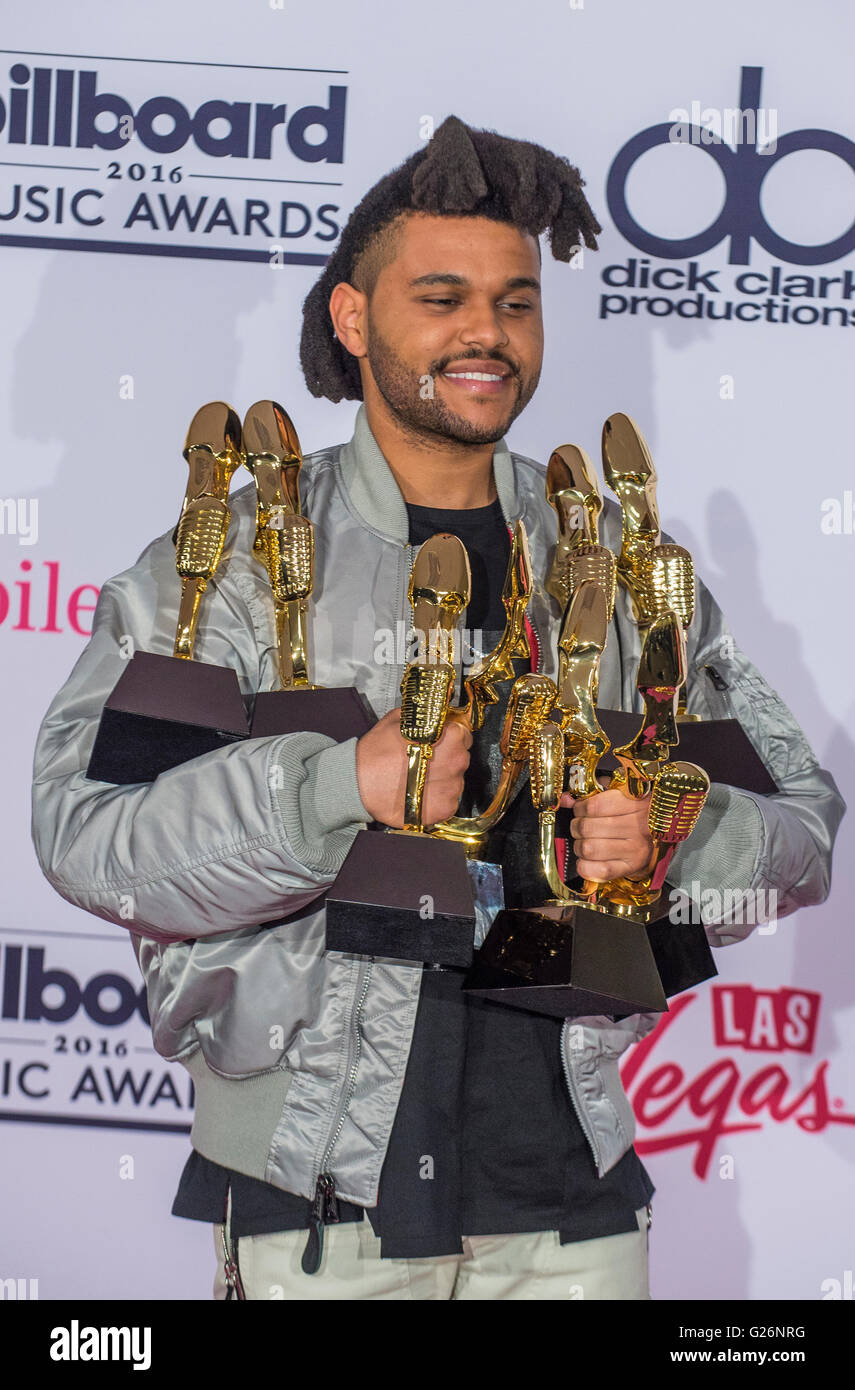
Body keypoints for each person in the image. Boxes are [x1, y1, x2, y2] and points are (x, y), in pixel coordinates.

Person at [31, 116, 845, 1301]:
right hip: (319, 1204)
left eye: (517, 302)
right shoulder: (236, 569)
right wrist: (332, 788)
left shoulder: (621, 566)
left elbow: (803, 830)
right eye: (445, 296)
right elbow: (87, 834)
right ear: (355, 320)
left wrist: (675, 829)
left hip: (572, 1211)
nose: (487, 333)